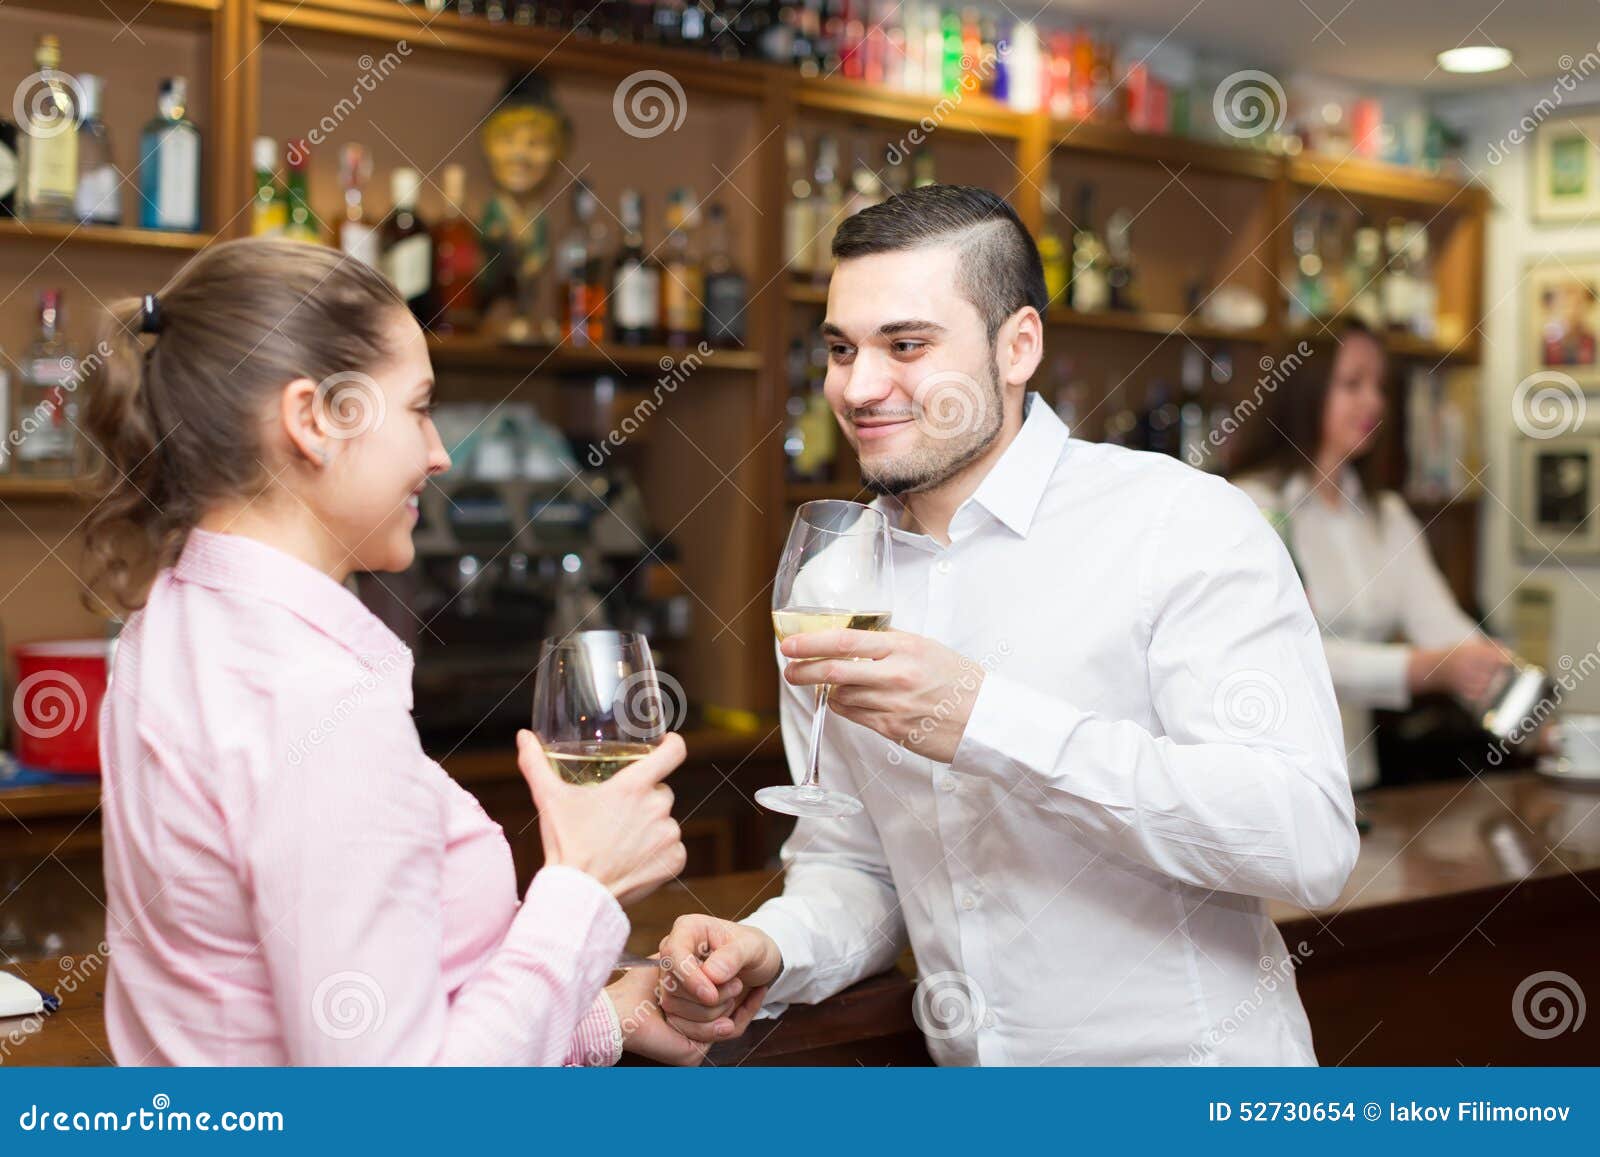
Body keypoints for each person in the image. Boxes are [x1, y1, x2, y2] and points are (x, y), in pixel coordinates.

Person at [657, 185, 1359, 1065]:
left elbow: (1306, 841)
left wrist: (985, 718)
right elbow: (857, 862)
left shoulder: (1179, 524)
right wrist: (776, 945)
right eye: (840, 349)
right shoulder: (832, 580)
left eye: (906, 345)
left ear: (1017, 344)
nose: (858, 387)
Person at [84, 238, 700, 1065]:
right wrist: (585, 884)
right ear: (315, 419)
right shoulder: (316, 701)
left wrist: (593, 1020)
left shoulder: (169, 618)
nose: (438, 452)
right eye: (418, 408)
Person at [1230, 321, 1510, 791]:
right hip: (1269, 784)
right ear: (1304, 392)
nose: (1374, 402)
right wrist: (1419, 669)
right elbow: (1289, 654)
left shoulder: (1387, 515)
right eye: (1353, 384)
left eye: (1379, 387)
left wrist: (1516, 697)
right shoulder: (1254, 508)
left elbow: (1442, 625)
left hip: (1359, 782)